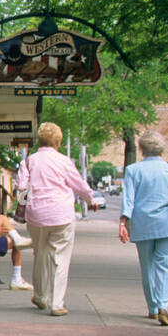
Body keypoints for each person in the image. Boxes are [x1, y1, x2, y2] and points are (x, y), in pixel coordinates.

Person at [16, 122, 98, 316]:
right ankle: (56, 303)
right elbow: (79, 184)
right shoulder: (63, 161)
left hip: (36, 216)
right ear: (59, 142)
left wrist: (26, 205)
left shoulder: (28, 162)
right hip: (61, 215)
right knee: (60, 258)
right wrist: (91, 200)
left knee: (40, 254)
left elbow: (21, 187)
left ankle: (40, 296)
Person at [119, 131, 168, 326]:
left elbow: (128, 200)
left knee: (148, 266)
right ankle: (163, 305)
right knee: (167, 265)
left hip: (143, 224)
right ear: (162, 149)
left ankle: (152, 308)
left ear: (141, 149)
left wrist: (123, 222)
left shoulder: (133, 170)